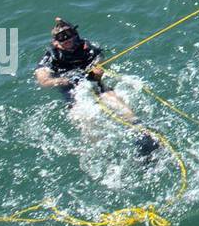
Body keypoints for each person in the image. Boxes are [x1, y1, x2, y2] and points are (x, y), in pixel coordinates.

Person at [35, 18, 158, 157]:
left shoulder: (89, 49)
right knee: (84, 118)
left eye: (69, 34)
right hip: (73, 91)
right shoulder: (51, 56)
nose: (67, 40)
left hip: (93, 82)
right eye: (61, 37)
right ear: (55, 42)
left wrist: (97, 72)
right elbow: (43, 81)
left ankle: (142, 133)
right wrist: (66, 80)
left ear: (76, 34)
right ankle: (103, 155)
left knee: (112, 98)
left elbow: (100, 63)